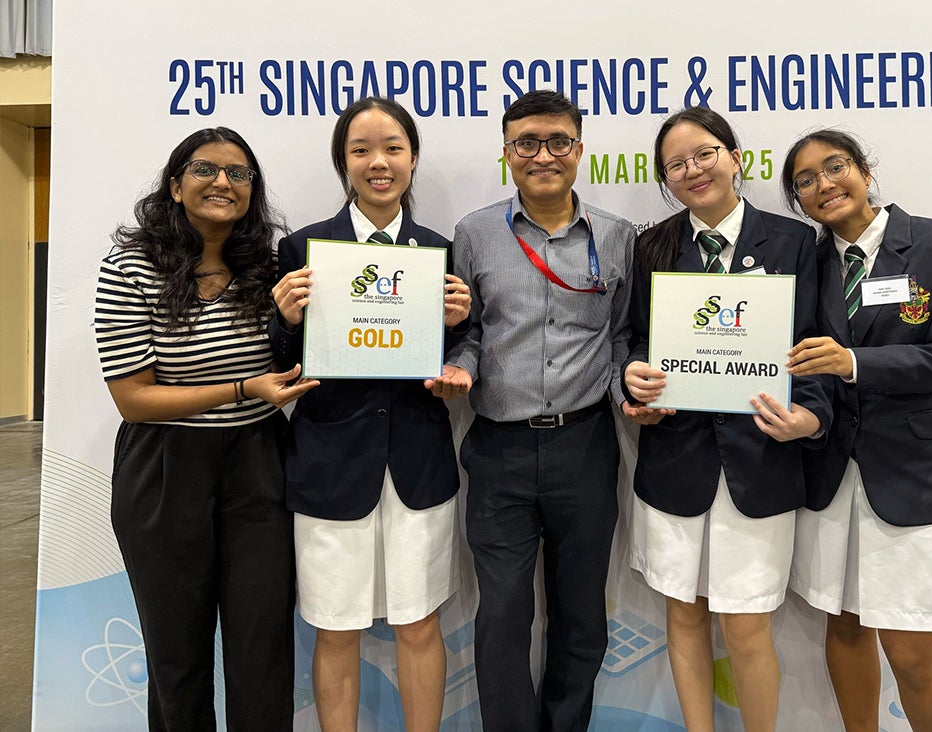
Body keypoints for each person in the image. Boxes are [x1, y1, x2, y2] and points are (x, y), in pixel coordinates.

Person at [94, 127, 317, 731]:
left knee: (262, 645)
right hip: (166, 466)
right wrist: (246, 389)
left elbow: (301, 353)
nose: (223, 181)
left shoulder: (269, 269)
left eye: (239, 173)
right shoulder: (130, 267)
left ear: (252, 191)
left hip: (259, 462)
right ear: (174, 185)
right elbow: (134, 400)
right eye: (205, 169)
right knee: (177, 653)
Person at [620, 108, 830, 732]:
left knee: (745, 624)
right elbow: (636, 339)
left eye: (705, 153)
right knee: (683, 615)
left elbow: (815, 344)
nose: (693, 170)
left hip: (759, 460)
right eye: (676, 164)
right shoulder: (653, 244)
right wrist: (636, 378)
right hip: (675, 460)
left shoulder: (794, 242)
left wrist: (810, 418)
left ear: (736, 157)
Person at [268, 96, 471, 732]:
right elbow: (281, 362)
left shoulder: (438, 251)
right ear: (343, 163)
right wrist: (286, 319)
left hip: (417, 461)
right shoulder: (302, 248)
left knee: (419, 622)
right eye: (361, 150)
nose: (378, 162)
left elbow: (457, 355)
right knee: (336, 628)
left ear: (412, 159)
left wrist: (458, 334)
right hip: (331, 463)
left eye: (393, 149)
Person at [441, 89, 634, 732]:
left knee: (580, 615)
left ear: (579, 150)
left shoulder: (618, 237)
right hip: (498, 451)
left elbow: (621, 339)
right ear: (507, 153)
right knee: (501, 615)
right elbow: (467, 329)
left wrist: (628, 392)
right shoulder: (474, 233)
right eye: (526, 143)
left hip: (585, 446)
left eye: (558, 142)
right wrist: (460, 370)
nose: (543, 155)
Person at [783, 129, 932, 732]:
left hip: (915, 476)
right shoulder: (809, 261)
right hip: (832, 475)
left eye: (834, 166)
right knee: (843, 626)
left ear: (865, 169)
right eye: (805, 181)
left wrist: (854, 363)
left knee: (913, 653)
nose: (824, 185)